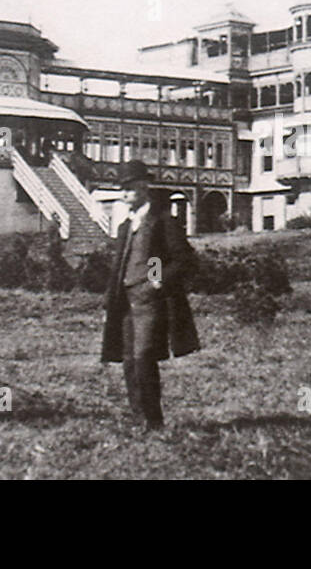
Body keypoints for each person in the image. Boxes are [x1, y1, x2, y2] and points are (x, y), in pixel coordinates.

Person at [101, 160, 200, 431]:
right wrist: (110, 301)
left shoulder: (161, 220)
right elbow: (121, 265)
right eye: (122, 189)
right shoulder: (126, 225)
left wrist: (155, 282)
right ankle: (138, 420)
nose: (124, 195)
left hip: (149, 301)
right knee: (129, 361)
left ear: (143, 187)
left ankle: (154, 422)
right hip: (125, 302)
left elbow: (182, 259)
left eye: (129, 189)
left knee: (144, 357)